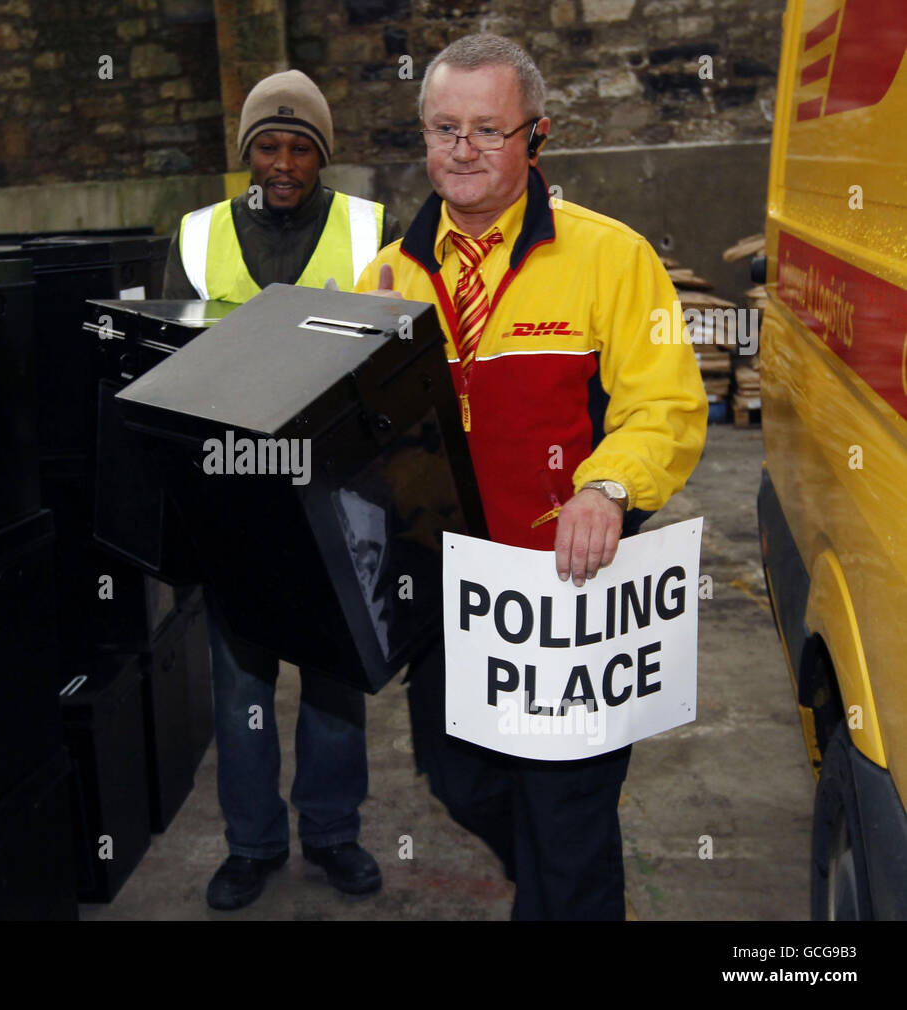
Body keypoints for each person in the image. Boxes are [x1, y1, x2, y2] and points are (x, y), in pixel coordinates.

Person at [355, 33, 707, 920]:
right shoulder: (387, 277)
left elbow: (665, 407)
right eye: (444, 128)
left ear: (536, 139)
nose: (462, 149)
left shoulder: (611, 257)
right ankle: (546, 884)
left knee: (570, 812)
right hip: (445, 591)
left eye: (487, 129)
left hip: (569, 589)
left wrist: (609, 486)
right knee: (455, 778)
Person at [163, 69, 403, 911]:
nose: (285, 162)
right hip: (233, 493)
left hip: (336, 491)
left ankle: (334, 833)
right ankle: (252, 843)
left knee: (336, 671)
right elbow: (165, 370)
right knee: (243, 683)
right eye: (269, 144)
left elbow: (398, 361)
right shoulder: (197, 239)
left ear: (323, 155)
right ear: (247, 153)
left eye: (302, 147)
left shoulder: (372, 230)